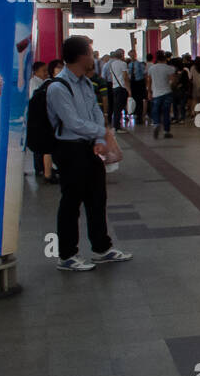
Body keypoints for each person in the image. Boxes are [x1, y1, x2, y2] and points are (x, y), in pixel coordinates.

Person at [44, 36, 132, 271]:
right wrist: (101, 132)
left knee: (97, 198)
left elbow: (95, 111)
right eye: (91, 53)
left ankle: (102, 248)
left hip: (89, 147)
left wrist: (99, 138)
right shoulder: (58, 87)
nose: (93, 57)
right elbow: (71, 122)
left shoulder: (85, 83)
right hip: (69, 149)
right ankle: (67, 255)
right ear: (81, 56)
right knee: (71, 202)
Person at [28, 61, 57, 184]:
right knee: (42, 147)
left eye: (46, 70)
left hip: (40, 119)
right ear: (36, 72)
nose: (46, 73)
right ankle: (42, 169)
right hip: (38, 119)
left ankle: (44, 169)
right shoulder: (34, 84)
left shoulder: (43, 83)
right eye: (43, 71)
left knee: (42, 146)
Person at [147, 50, 176, 140]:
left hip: (156, 93)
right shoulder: (169, 68)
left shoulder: (152, 68)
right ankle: (166, 131)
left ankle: (156, 124)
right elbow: (172, 80)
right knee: (166, 112)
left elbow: (149, 81)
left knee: (155, 110)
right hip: (167, 92)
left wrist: (149, 92)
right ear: (164, 58)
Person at [102, 49, 130, 131]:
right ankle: (117, 125)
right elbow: (125, 77)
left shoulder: (111, 64)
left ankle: (115, 124)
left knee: (116, 106)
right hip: (122, 87)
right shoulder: (123, 64)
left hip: (114, 87)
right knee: (120, 107)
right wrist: (129, 89)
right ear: (122, 55)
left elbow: (111, 76)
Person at [129, 51, 148, 125]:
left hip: (139, 83)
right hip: (132, 83)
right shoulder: (129, 64)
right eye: (131, 55)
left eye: (133, 55)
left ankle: (139, 116)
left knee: (139, 100)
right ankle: (136, 113)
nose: (132, 57)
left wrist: (145, 84)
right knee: (135, 99)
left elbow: (145, 74)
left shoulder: (140, 64)